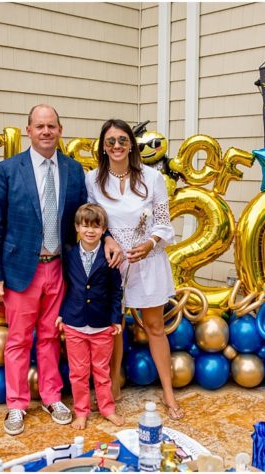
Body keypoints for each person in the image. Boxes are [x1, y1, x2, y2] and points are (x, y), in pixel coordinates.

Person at [0, 104, 94, 435]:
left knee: (49, 336)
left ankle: (51, 396)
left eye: (52, 126)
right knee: (18, 339)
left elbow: (82, 222)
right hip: (20, 269)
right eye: (39, 126)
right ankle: (16, 404)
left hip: (59, 267)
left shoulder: (75, 171)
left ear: (61, 131)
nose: (46, 131)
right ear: (28, 131)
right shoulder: (7, 170)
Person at [86, 118, 183, 420]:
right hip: (113, 263)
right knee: (113, 328)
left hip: (148, 261)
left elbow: (164, 223)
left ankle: (168, 393)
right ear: (103, 147)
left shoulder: (152, 178)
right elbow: (93, 220)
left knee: (154, 327)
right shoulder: (92, 180)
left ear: (132, 144)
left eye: (122, 140)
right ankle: (112, 387)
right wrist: (108, 240)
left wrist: (151, 244)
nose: (116, 146)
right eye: (110, 141)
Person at [56, 203, 125, 430]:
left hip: (102, 324)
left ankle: (107, 409)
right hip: (74, 324)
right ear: (77, 227)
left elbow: (116, 290)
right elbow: (65, 287)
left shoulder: (109, 257)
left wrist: (116, 318)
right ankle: (81, 412)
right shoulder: (69, 255)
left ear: (103, 229)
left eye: (96, 227)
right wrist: (61, 315)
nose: (90, 231)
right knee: (78, 373)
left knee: (101, 372)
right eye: (85, 226)